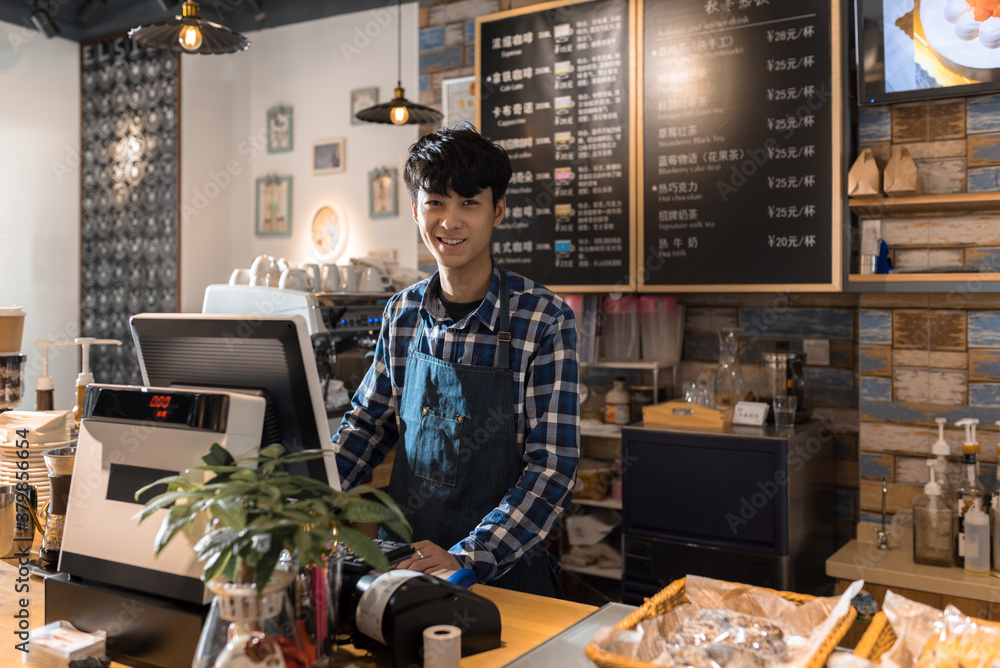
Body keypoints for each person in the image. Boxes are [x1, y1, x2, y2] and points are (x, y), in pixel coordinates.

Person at [333, 122, 580, 597]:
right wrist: (308, 500)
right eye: (436, 203)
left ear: (498, 210)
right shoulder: (402, 313)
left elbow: (552, 468)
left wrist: (467, 557)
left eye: (469, 203)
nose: (451, 221)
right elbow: (367, 425)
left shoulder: (543, 320)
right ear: (415, 210)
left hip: (504, 579)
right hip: (402, 568)